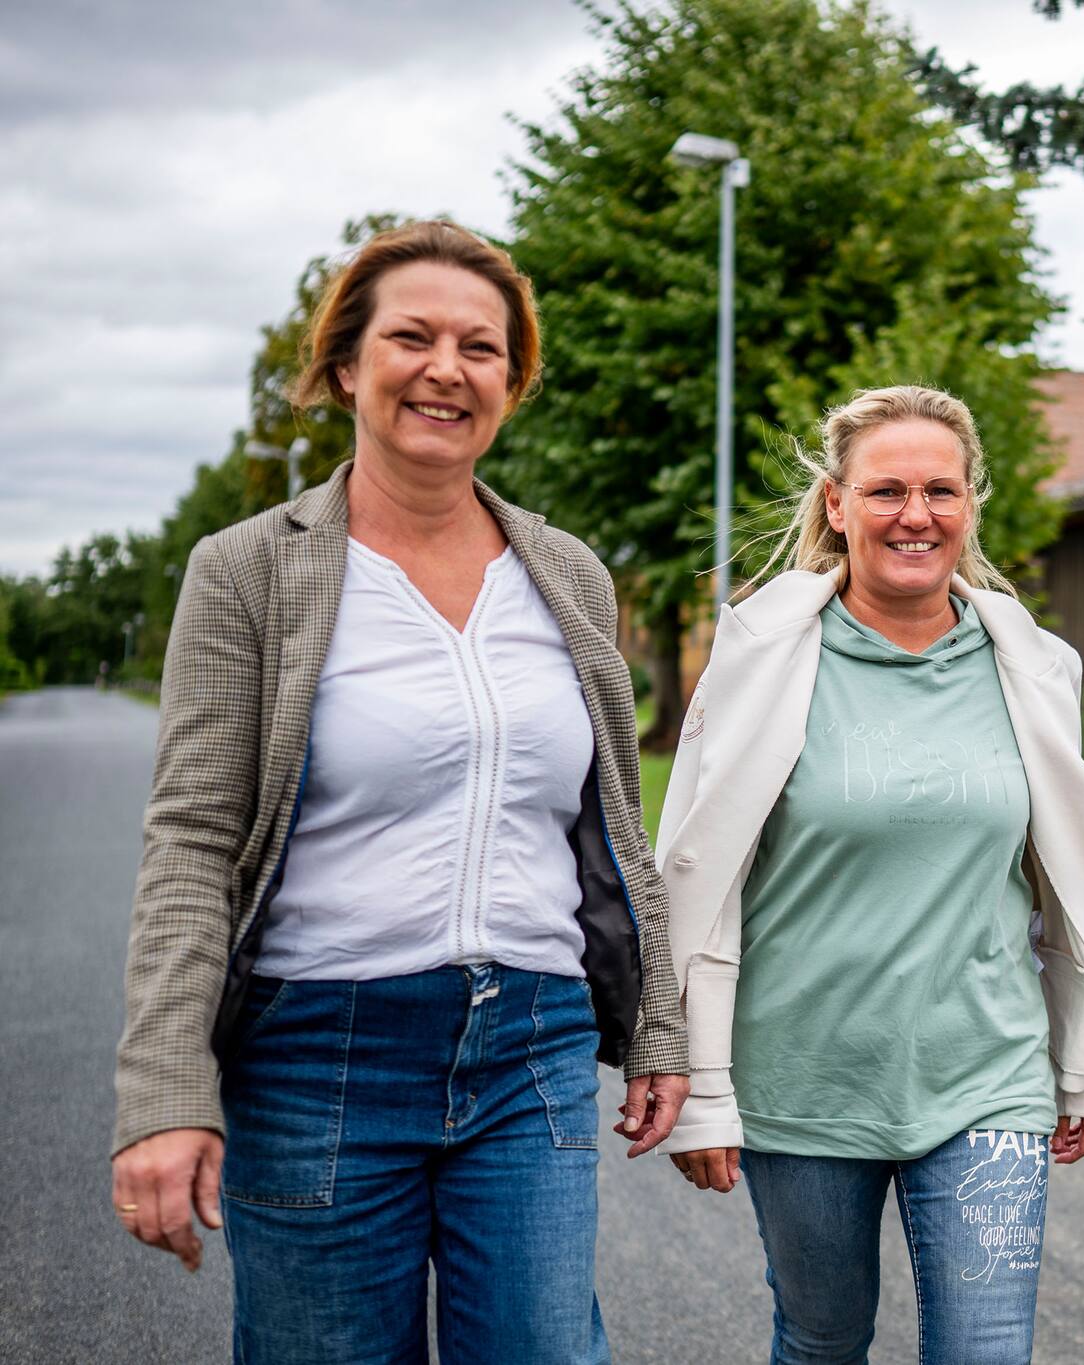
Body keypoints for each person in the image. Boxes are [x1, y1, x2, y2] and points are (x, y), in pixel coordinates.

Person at [110, 220, 688, 1363]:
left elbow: (611, 822)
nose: (446, 368)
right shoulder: (247, 571)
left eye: (481, 348)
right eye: (411, 337)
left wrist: (659, 1024)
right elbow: (190, 841)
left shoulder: (566, 573)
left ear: (512, 384)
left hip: (532, 1040)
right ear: (343, 368)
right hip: (321, 1048)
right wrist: (165, 1091)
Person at [654, 384, 1084, 1363]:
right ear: (836, 505)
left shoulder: (1033, 666)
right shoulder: (760, 658)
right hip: (802, 1077)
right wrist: (704, 1083)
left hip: (986, 1073)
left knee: (984, 1350)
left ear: (971, 503)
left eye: (941, 490)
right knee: (823, 1339)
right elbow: (702, 890)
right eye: (886, 491)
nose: (915, 515)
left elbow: (1063, 880)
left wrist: (1081, 1058)